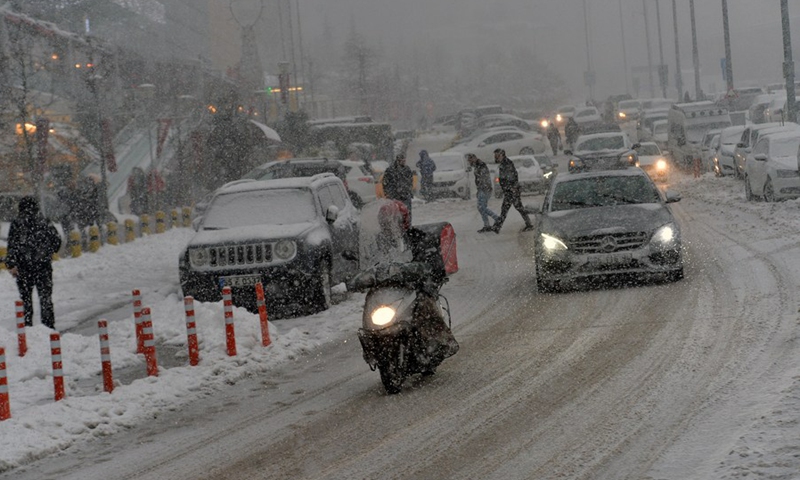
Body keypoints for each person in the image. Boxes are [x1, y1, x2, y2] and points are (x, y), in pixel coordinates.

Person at [6, 196, 63, 329]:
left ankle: (28, 328)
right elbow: (57, 241)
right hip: (43, 267)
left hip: (23, 268)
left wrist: (11, 264)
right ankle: (48, 327)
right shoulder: (44, 221)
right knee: (45, 299)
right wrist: (47, 252)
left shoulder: (17, 223)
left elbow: (12, 246)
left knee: (26, 301)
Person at [490, 149, 534, 233]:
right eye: (495, 155)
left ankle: (498, 227)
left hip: (511, 191)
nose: (495, 157)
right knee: (510, 208)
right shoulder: (504, 163)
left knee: (512, 208)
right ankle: (498, 226)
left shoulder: (507, 164)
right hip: (510, 190)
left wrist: (511, 188)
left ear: (502, 155)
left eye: (497, 155)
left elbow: (512, 177)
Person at [466, 153, 500, 233]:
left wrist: (482, 188)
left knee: (482, 207)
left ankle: (497, 218)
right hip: (482, 189)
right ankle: (487, 225)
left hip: (485, 189)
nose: (469, 162)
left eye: (470, 160)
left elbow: (483, 178)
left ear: (474, 158)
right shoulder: (478, 165)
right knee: (481, 208)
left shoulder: (481, 165)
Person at [382, 153, 414, 218]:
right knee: (395, 214)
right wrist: (387, 193)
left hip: (405, 195)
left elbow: (410, 180)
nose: (404, 162)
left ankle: (408, 226)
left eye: (404, 161)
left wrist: (409, 190)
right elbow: (385, 182)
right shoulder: (390, 170)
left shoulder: (407, 169)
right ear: (398, 160)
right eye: (402, 161)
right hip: (394, 195)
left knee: (407, 213)